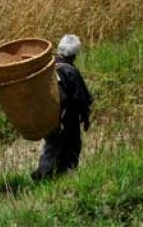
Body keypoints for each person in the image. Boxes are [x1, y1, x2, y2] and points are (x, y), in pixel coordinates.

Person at [32, 34, 94, 181]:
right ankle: (50, 175)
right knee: (72, 146)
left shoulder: (46, 68)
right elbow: (80, 98)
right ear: (73, 56)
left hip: (48, 116)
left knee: (52, 146)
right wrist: (85, 118)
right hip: (68, 118)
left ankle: (51, 175)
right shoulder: (70, 71)